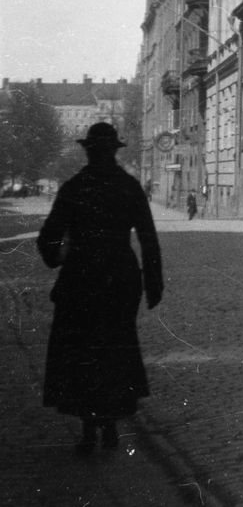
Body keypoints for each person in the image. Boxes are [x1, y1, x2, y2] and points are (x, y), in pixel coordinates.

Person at [36, 122, 163, 455]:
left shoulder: (75, 187)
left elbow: (48, 236)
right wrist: (153, 284)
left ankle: (89, 428)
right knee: (114, 350)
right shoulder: (129, 186)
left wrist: (58, 256)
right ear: (113, 151)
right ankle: (108, 424)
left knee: (83, 354)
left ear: (89, 151)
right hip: (120, 279)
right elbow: (148, 238)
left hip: (81, 278)